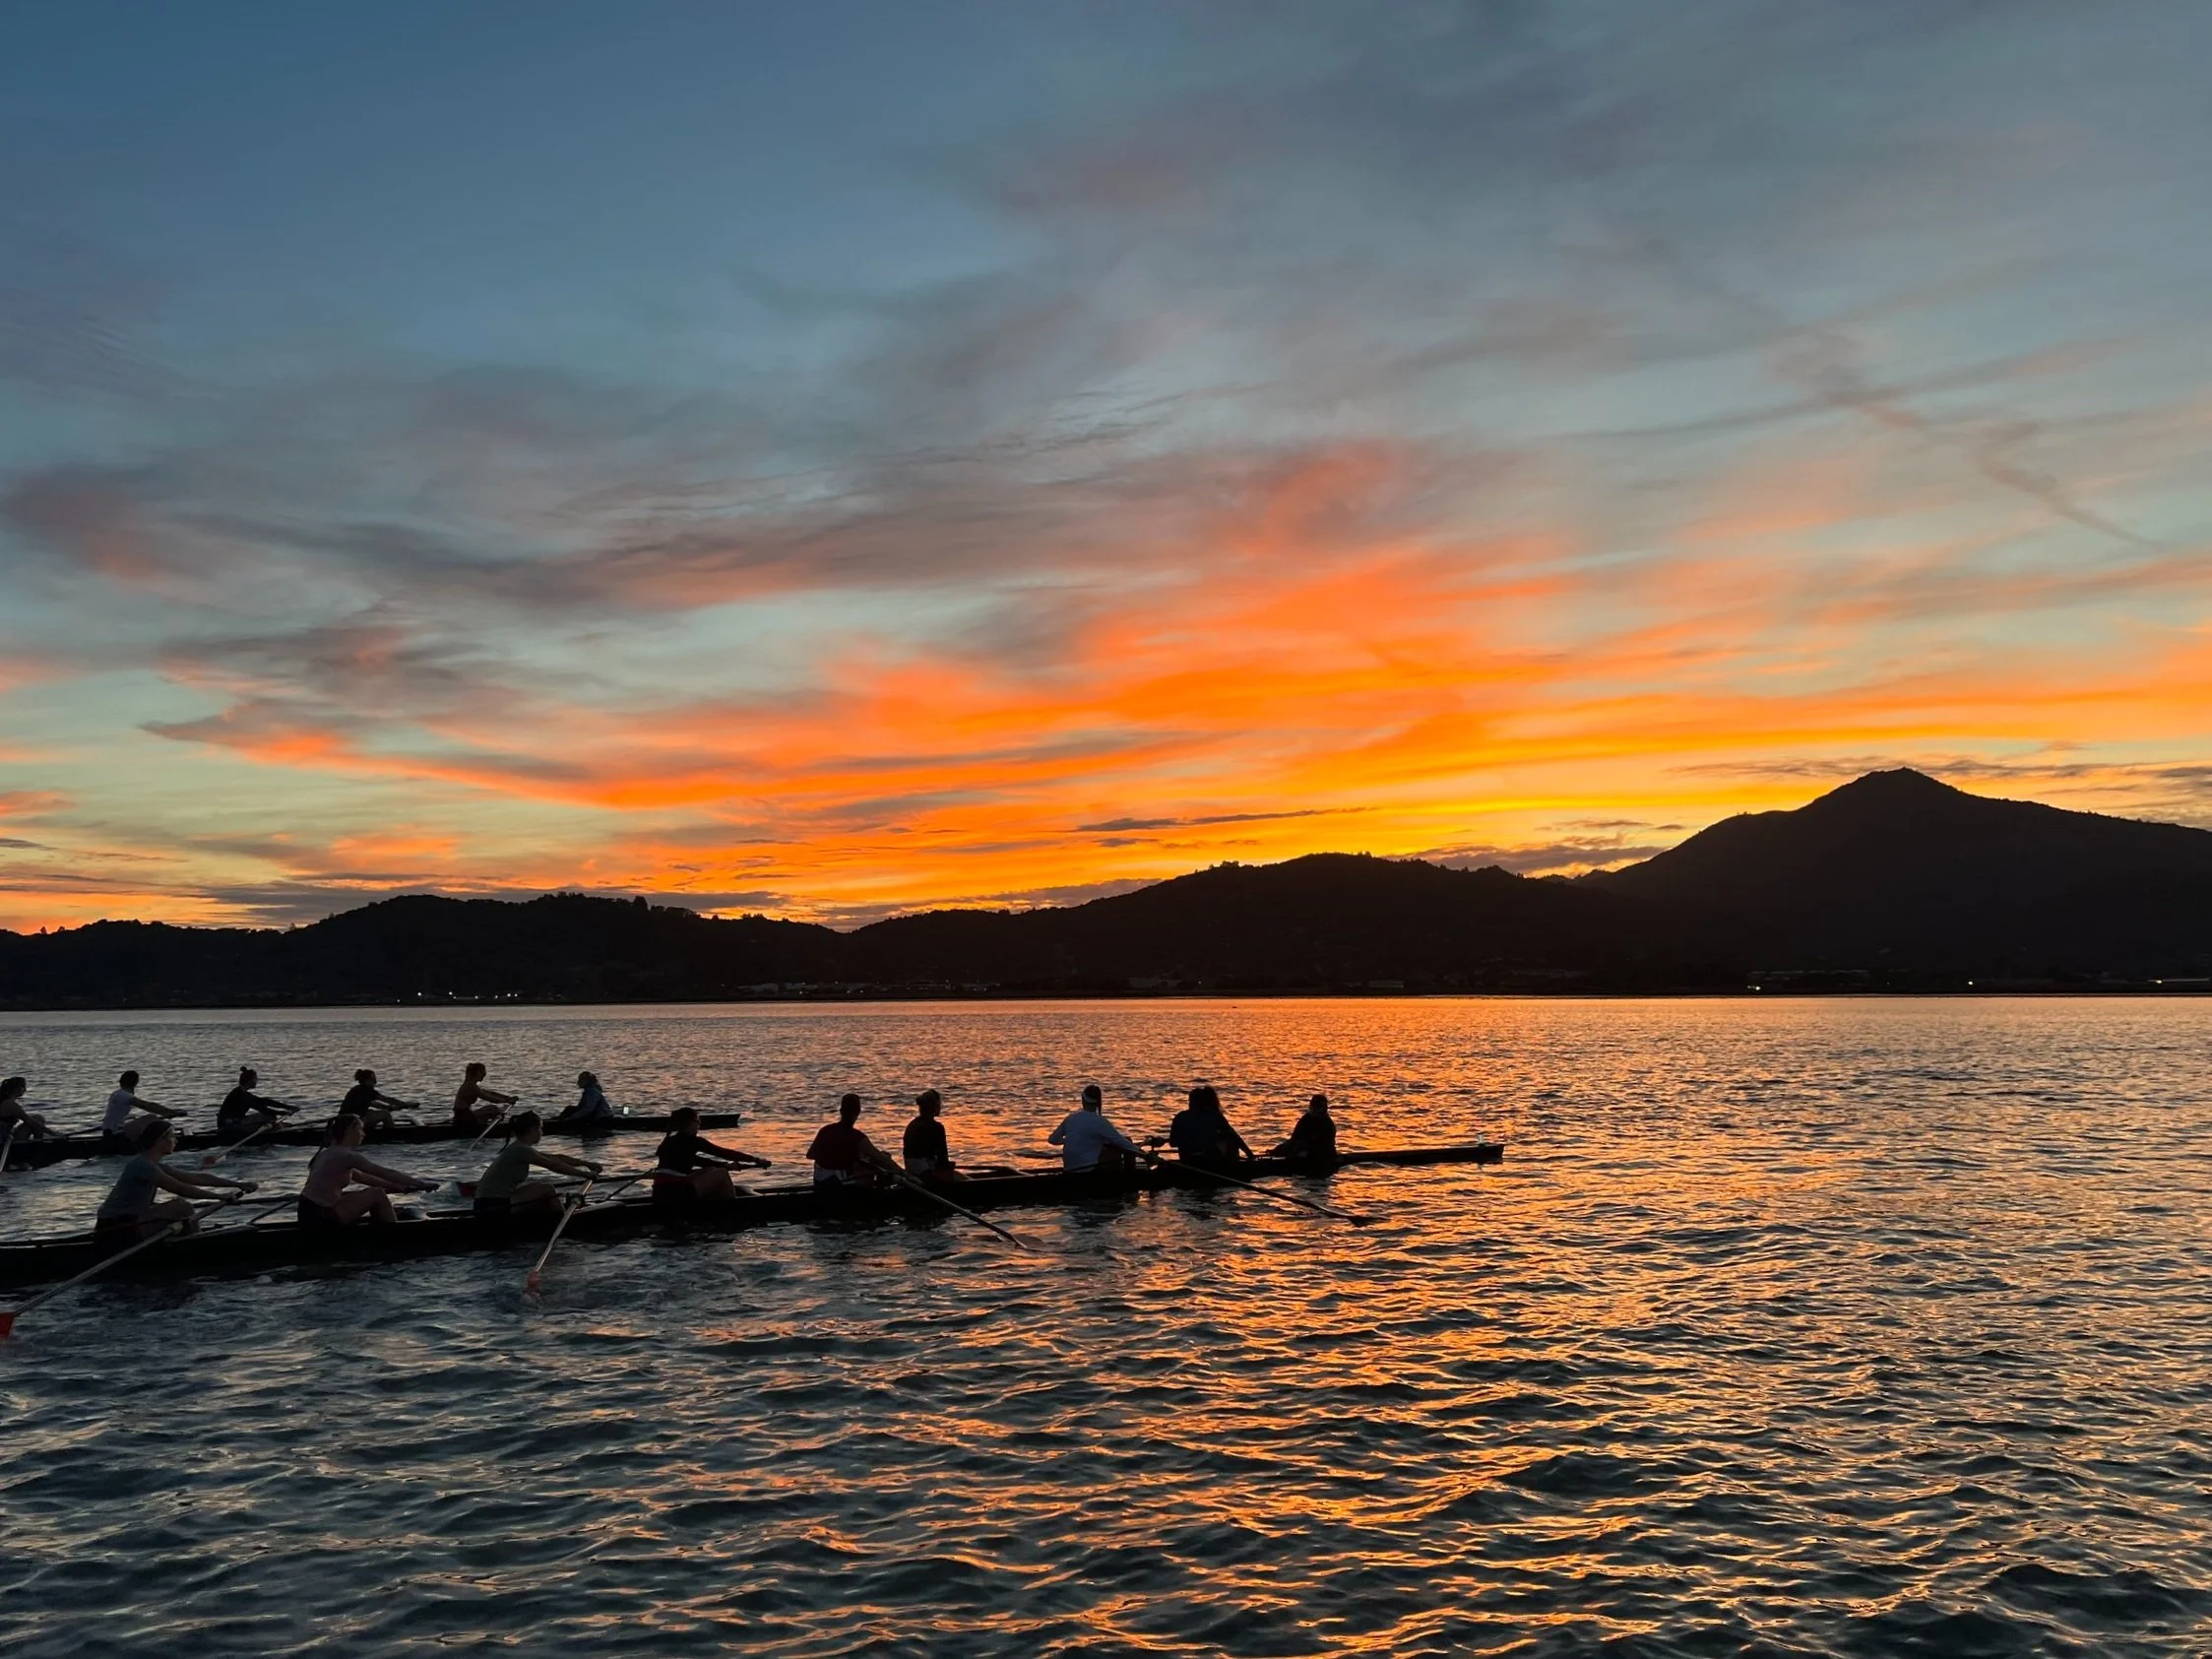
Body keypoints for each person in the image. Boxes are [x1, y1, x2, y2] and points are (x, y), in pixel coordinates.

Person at [95, 1120, 256, 1241]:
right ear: (159, 1140)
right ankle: (195, 1242)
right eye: (172, 1136)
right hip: (114, 1229)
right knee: (181, 1207)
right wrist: (219, 1197)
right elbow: (180, 1189)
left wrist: (238, 1184)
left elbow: (195, 1178)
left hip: (128, 1222)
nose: (176, 1140)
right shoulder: (142, 1166)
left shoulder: (155, 1165)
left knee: (175, 1211)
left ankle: (186, 1236)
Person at [297, 1113, 439, 1227]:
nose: (363, 1134)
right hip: (321, 1216)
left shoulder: (328, 1153)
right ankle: (395, 1237)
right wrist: (421, 1184)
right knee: (377, 1194)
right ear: (351, 1129)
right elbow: (386, 1173)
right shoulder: (346, 1155)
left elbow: (364, 1178)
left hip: (307, 1212)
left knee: (373, 1191)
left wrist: (398, 1187)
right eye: (361, 1129)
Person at [473, 1111, 599, 1220]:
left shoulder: (519, 1147)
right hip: (491, 1206)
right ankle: (563, 1220)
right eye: (540, 1128)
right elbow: (554, 1166)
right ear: (532, 1129)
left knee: (536, 1187)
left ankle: (552, 1213)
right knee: (546, 1189)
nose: (542, 1133)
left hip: (489, 1202)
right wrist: (585, 1174)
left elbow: (556, 1158)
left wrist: (586, 1164)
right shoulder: (521, 1150)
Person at [652, 1106, 768, 1206]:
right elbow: (723, 1153)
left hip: (659, 1193)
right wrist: (755, 1159)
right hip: (677, 1191)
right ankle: (732, 1210)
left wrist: (726, 1165)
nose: (699, 1125)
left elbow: (699, 1161)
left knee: (711, 1170)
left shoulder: (668, 1142)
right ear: (690, 1123)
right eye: (698, 1121)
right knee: (722, 1173)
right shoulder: (693, 1141)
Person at [805, 1094, 899, 1187]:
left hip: (819, 1180)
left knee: (877, 1159)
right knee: (878, 1167)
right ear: (858, 1112)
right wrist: (902, 1172)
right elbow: (879, 1158)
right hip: (836, 1181)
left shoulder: (826, 1130)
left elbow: (810, 1155)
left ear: (841, 1111)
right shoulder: (856, 1136)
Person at [1047, 1084, 1145, 1173]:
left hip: (1068, 1169)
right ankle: (1129, 1177)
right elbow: (1122, 1142)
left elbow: (1052, 1140)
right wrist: (1144, 1155)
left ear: (1083, 1099)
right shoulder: (1100, 1121)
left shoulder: (1071, 1118)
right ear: (1098, 1102)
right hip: (1088, 1171)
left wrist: (1072, 1139)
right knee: (1126, 1142)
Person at [1167, 1084, 1254, 1170]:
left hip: (1186, 1160)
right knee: (1229, 1137)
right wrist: (1249, 1153)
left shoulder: (1179, 1116)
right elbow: (1234, 1136)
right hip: (1208, 1160)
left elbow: (1173, 1143)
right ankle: (1233, 1168)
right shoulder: (1214, 1115)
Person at [101, 1070, 182, 1152]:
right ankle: (154, 1144)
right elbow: (147, 1106)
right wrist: (171, 1112)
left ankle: (145, 1142)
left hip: (109, 1132)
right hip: (115, 1134)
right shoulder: (124, 1095)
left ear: (120, 1081)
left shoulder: (116, 1093)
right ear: (136, 1083)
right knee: (151, 1118)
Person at [902, 1089, 964, 1180]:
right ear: (934, 1107)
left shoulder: (912, 1125)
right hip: (927, 1174)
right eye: (939, 1104)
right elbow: (942, 1160)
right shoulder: (937, 1127)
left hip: (913, 1171)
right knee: (963, 1179)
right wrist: (948, 1167)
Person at [217, 1067, 293, 1139]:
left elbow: (264, 1101)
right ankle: (278, 1129)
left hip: (237, 1122)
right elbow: (263, 1109)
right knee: (269, 1116)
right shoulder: (239, 1095)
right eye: (255, 1079)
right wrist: (281, 1112)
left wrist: (287, 1107)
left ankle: (277, 1127)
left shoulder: (243, 1093)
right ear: (249, 1080)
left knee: (270, 1117)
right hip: (228, 1127)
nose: (257, 1081)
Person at [340, 1068, 415, 1134]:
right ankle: (391, 1135)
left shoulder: (356, 1089)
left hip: (345, 1122)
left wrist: (389, 1107)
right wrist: (406, 1105)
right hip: (354, 1122)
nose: (375, 1082)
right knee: (386, 1114)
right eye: (373, 1079)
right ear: (366, 1081)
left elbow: (373, 1104)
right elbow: (387, 1099)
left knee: (374, 1112)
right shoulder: (367, 1091)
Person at [1271, 1094, 1340, 1165]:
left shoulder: (1327, 1124)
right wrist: (1281, 1149)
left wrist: (1304, 1151)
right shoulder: (1306, 1119)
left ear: (1323, 1109)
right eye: (1312, 1106)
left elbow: (1325, 1145)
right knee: (1283, 1147)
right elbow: (1295, 1138)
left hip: (1321, 1153)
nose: (1313, 1109)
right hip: (1303, 1148)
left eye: (1317, 1107)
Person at [452, 1062, 517, 1133]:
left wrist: (507, 1098)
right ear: (477, 1073)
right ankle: (490, 1130)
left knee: (492, 1109)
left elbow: (490, 1093)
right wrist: (506, 1101)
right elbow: (488, 1098)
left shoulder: (472, 1085)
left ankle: (485, 1126)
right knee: (493, 1109)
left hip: (465, 1115)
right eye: (483, 1072)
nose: (484, 1075)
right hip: (464, 1118)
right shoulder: (470, 1086)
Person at [0, 1076, 54, 1143]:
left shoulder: (5, 1102)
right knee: (38, 1119)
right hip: (3, 1139)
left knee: (36, 1117)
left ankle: (39, 1141)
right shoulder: (9, 1104)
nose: (25, 1089)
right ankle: (39, 1143)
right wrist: (52, 1133)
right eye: (23, 1087)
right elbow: (30, 1121)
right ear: (16, 1089)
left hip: (7, 1135)